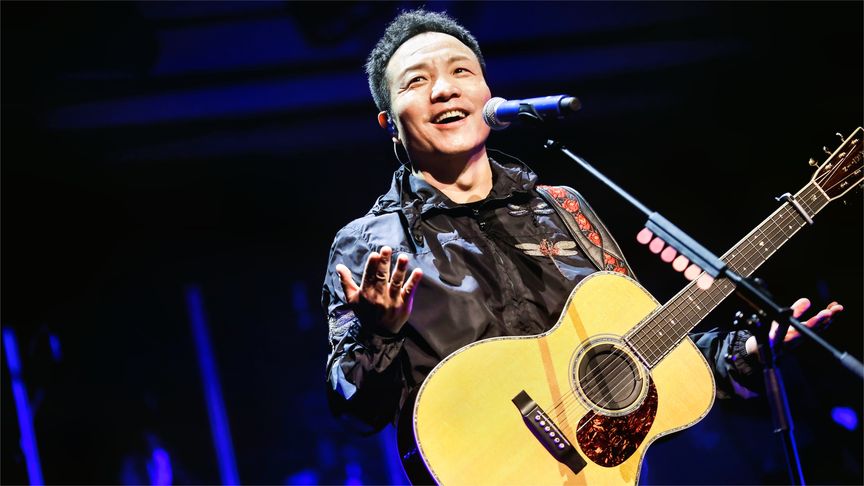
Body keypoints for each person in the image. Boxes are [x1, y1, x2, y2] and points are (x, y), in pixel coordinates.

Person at [322, 6, 842, 473]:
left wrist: (745, 352)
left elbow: (638, 347)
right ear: (390, 124)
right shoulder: (371, 244)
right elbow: (355, 410)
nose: (444, 89)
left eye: (462, 71)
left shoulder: (563, 208)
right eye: (417, 81)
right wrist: (379, 333)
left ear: (488, 94)